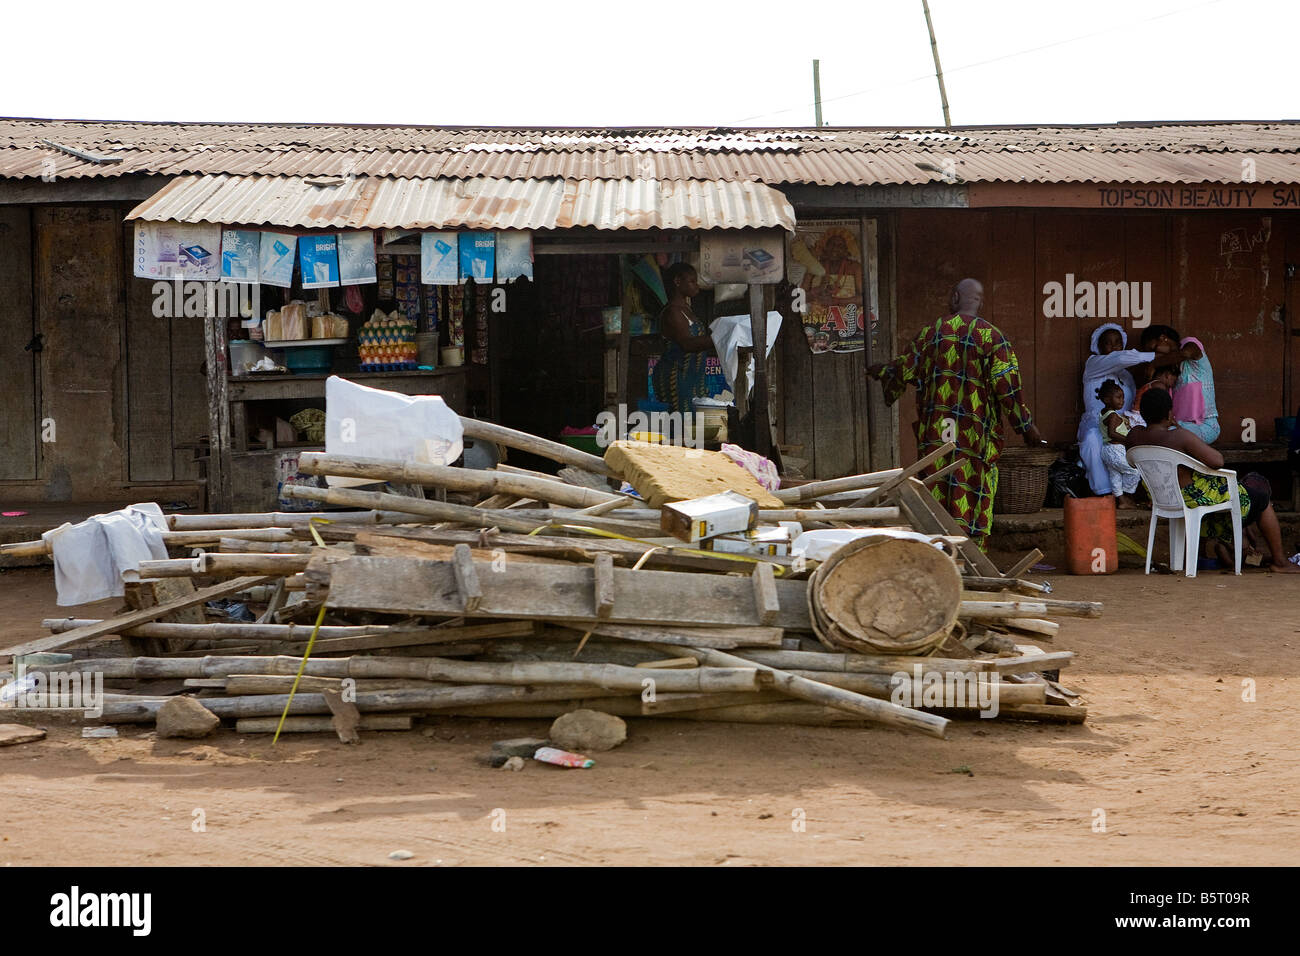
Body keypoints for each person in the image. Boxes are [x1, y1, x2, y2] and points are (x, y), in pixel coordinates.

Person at [868, 278, 1045, 545]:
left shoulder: (930, 334)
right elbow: (1008, 389)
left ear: (954, 298)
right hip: (975, 438)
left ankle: (937, 550)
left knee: (934, 487)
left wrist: (881, 370)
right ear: (979, 302)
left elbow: (903, 369)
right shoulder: (993, 338)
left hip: (935, 436)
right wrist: (1026, 427)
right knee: (974, 490)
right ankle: (974, 554)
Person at [1128, 388, 1299, 573]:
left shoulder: (1134, 436)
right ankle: (1280, 562)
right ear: (1170, 413)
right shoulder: (1178, 436)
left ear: (1143, 413)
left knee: (1240, 492)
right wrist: (1178, 428)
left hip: (1165, 500)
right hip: (1196, 500)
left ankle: (1203, 555)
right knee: (1262, 499)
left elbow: (1130, 459)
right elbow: (1217, 460)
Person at [650, 262, 715, 414]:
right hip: (676, 378)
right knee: (680, 425)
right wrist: (720, 338)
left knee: (695, 426)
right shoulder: (672, 312)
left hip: (693, 377)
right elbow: (687, 344)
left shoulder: (686, 309)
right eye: (692, 281)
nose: (696, 286)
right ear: (677, 282)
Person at [1139, 325, 1218, 442]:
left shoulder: (1188, 344)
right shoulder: (1168, 370)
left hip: (1204, 425)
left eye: (1154, 348)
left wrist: (1154, 364)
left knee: (1158, 436)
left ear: (1163, 338)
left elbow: (1186, 353)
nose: (1153, 355)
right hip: (1179, 427)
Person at [1097, 379, 1142, 508]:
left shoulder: (1103, 413)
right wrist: (1128, 440)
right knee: (1134, 471)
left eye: (1123, 398)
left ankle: (1121, 500)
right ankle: (1127, 497)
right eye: (1118, 397)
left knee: (1115, 474)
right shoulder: (1112, 416)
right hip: (1115, 449)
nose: (1122, 401)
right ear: (1106, 399)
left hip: (1107, 450)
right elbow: (1112, 433)